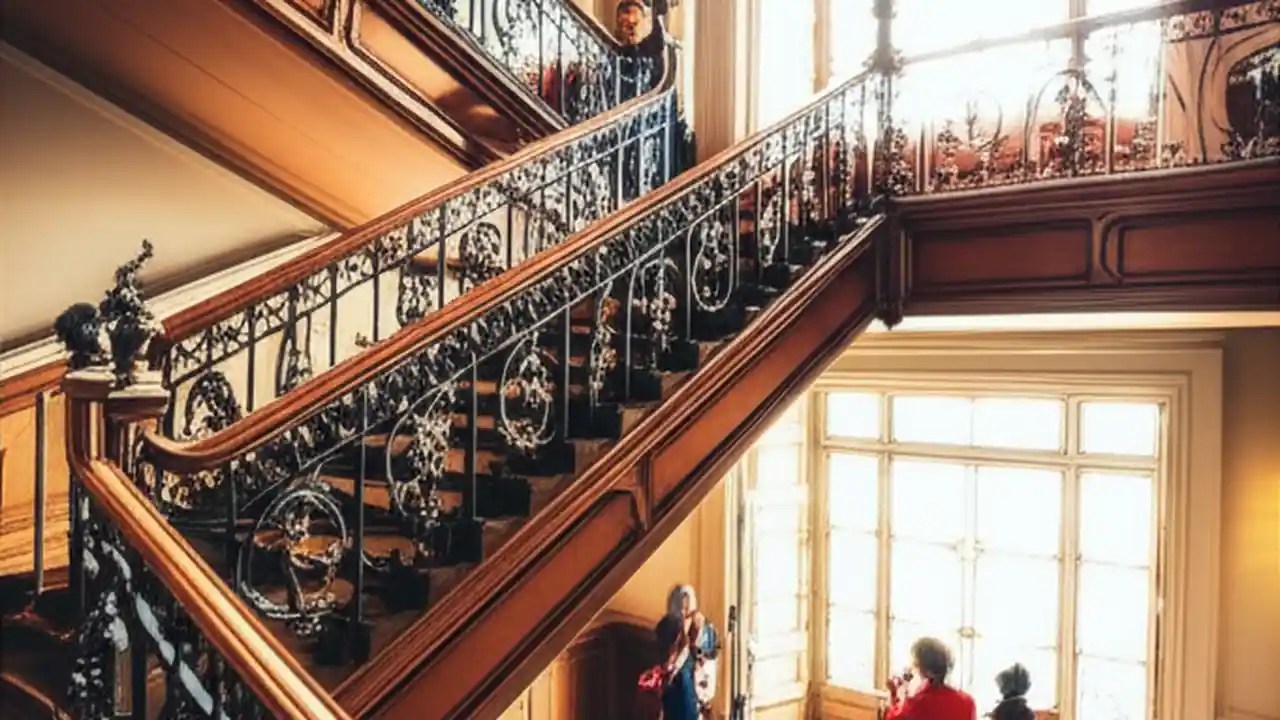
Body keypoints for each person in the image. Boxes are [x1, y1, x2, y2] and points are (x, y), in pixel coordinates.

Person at [885, 637, 977, 720]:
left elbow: (893, 718)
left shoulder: (917, 704)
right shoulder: (967, 702)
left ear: (921, 669)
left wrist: (896, 695)